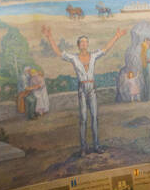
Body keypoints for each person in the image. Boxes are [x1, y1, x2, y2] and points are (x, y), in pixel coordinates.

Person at [43, 25, 128, 155]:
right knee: (83, 118)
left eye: (85, 42)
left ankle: (96, 146)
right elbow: (59, 53)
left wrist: (116, 36)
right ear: (78, 45)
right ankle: (83, 148)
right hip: (82, 88)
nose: (84, 44)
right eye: (81, 42)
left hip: (92, 88)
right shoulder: (74, 58)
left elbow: (106, 49)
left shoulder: (93, 56)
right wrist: (49, 37)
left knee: (94, 117)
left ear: (87, 44)